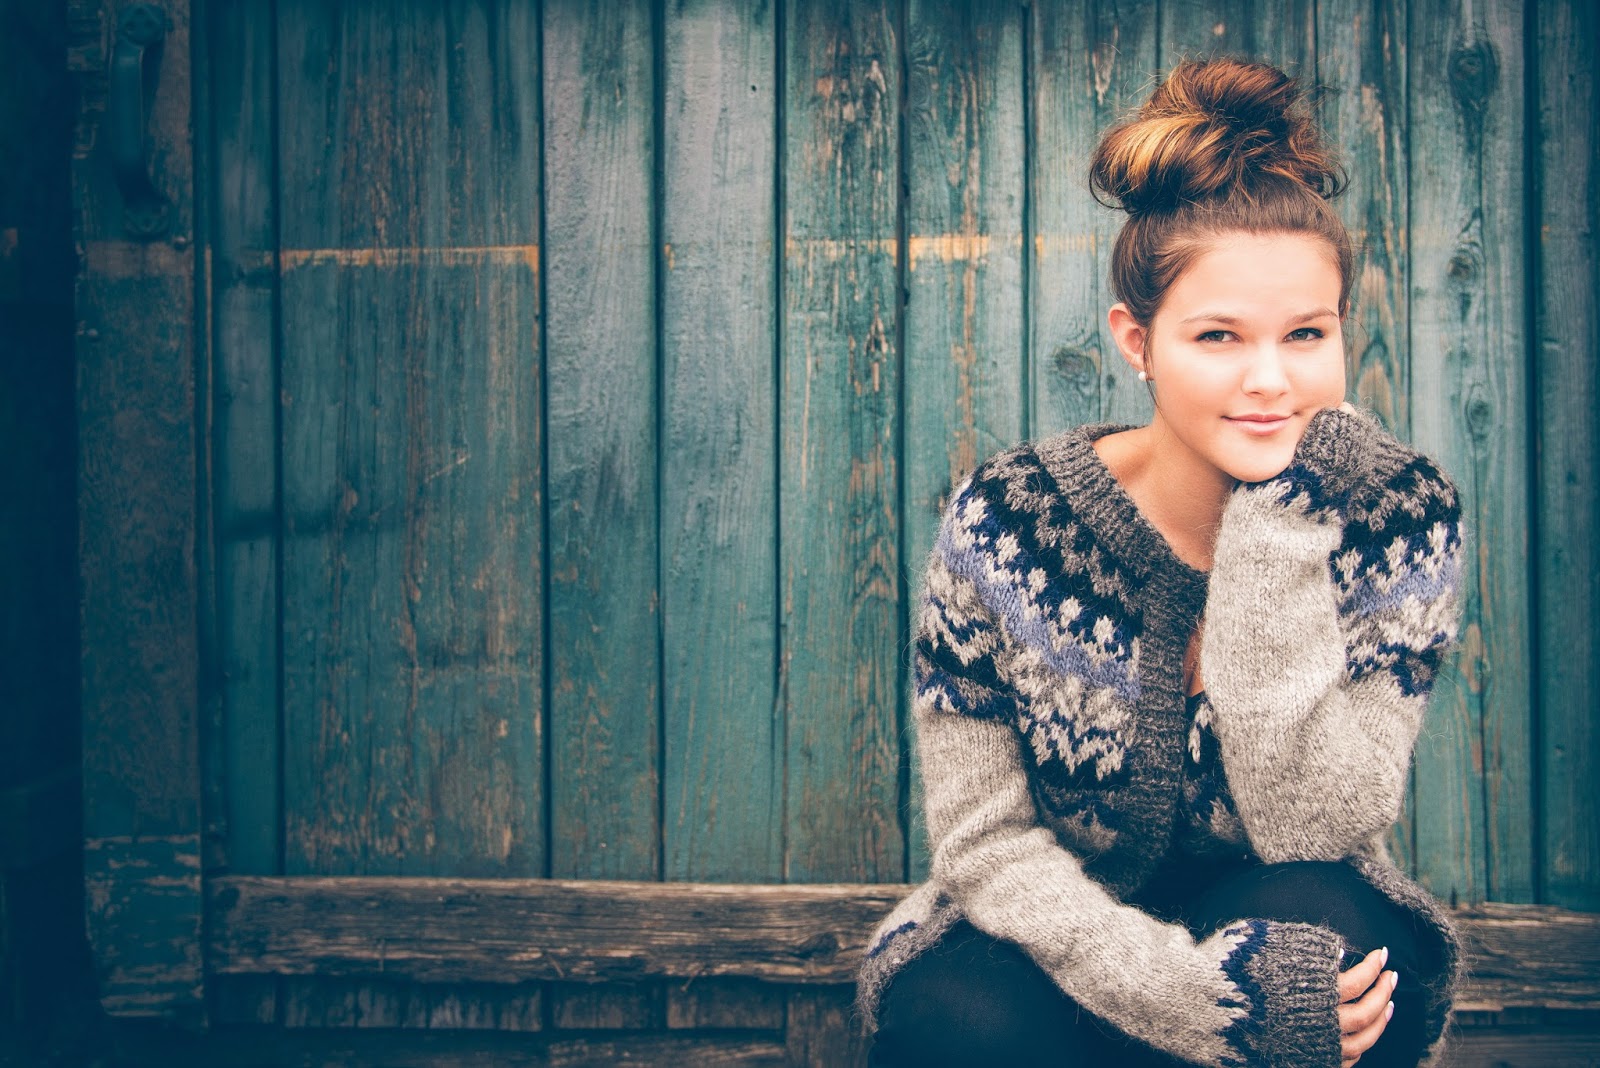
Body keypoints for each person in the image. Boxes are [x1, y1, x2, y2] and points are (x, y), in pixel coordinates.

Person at [856, 57, 1462, 1068]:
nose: (1271, 381)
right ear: (1137, 341)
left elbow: (1313, 824)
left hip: (1278, 892)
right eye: (1218, 336)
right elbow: (983, 844)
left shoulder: (1395, 517)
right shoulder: (1010, 519)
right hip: (1052, 937)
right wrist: (1192, 1005)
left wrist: (1277, 534)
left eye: (1306, 334)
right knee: (949, 1023)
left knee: (1333, 949)